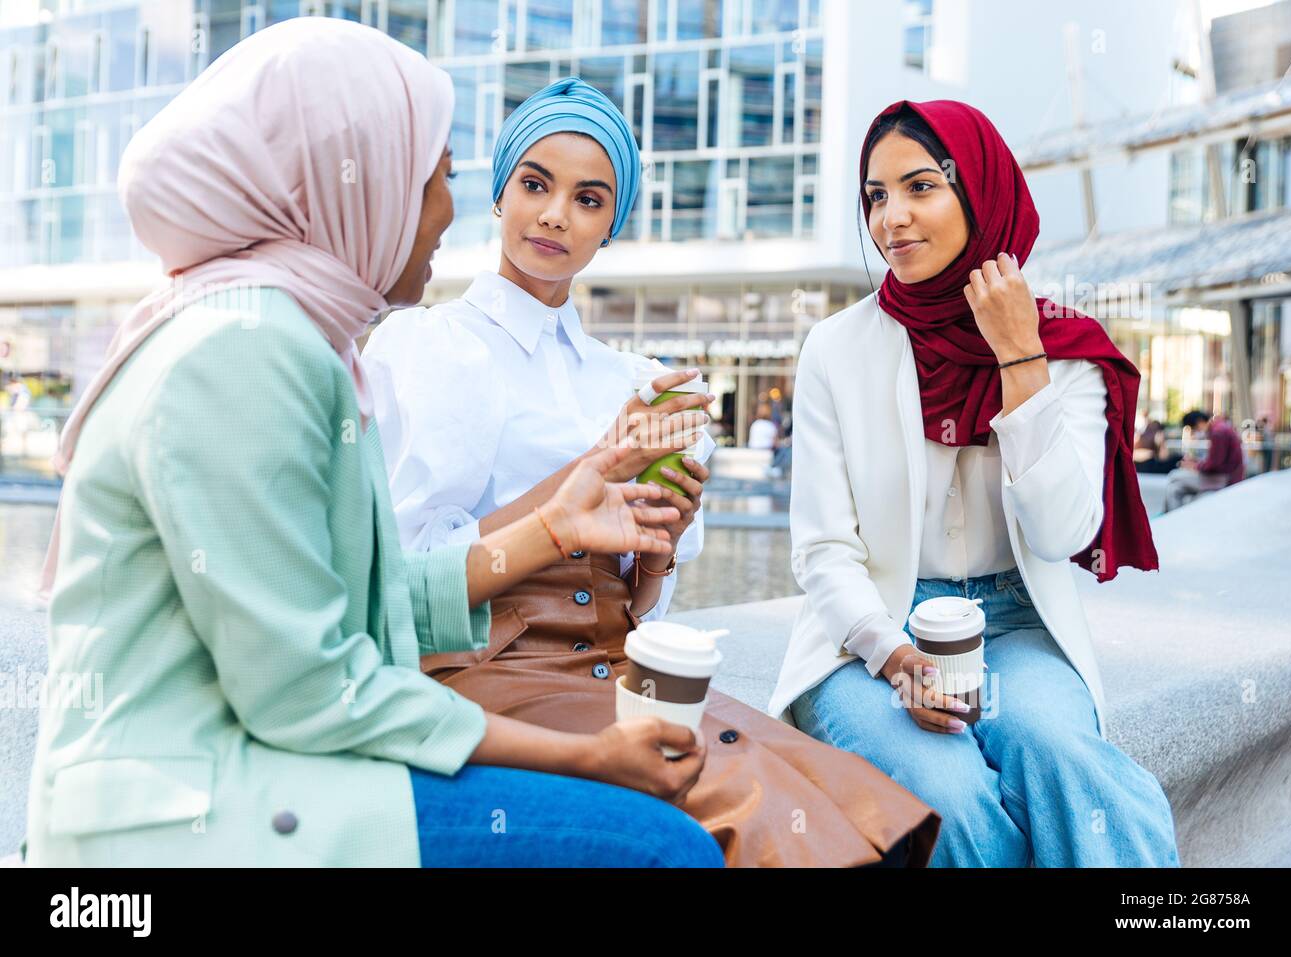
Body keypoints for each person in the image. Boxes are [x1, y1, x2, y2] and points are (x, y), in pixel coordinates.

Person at [24, 19, 725, 868]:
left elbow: (372, 602)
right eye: (435, 180)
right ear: (354, 185)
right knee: (662, 848)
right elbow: (311, 691)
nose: (442, 214)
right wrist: (587, 758)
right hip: (191, 815)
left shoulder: (287, 332)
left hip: (253, 765)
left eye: (589, 197)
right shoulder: (246, 351)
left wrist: (561, 525)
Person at [363, 76, 942, 868]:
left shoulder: (630, 377)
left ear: (613, 224)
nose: (556, 214)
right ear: (500, 195)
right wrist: (590, 478)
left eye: (590, 198)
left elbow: (634, 602)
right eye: (535, 184)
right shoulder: (432, 348)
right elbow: (399, 584)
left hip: (621, 659)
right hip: (486, 671)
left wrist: (658, 540)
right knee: (746, 792)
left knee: (844, 786)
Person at [769, 99, 1179, 867]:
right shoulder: (836, 347)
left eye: (920, 186)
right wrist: (894, 655)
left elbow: (1063, 532)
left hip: (1020, 624)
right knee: (943, 796)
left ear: (980, 191)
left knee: (1063, 754)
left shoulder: (1064, 348)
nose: (891, 217)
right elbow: (823, 550)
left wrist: (1019, 359)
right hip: (870, 635)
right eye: (876, 196)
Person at [1164, 410, 1245, 512]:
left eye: (1193, 428)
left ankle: (1172, 519)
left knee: (1174, 475)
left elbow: (1214, 464)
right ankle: (1173, 518)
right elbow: (1216, 460)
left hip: (1223, 478)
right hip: (1223, 475)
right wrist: (1196, 463)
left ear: (1199, 422)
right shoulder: (1219, 428)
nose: (1194, 431)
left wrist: (1193, 466)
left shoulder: (1218, 433)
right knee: (1173, 489)